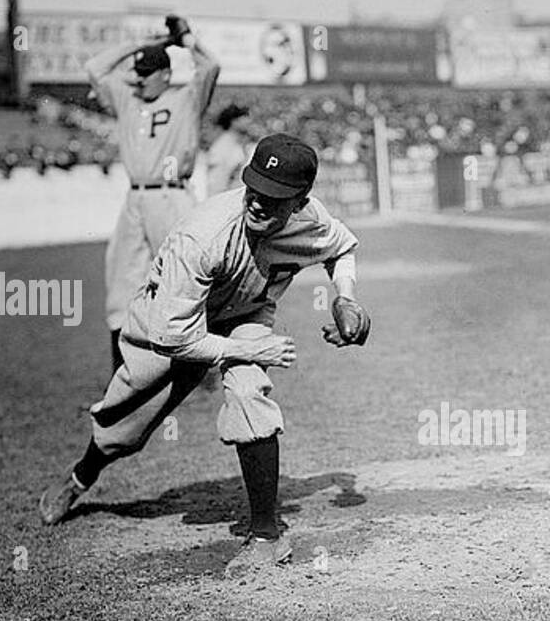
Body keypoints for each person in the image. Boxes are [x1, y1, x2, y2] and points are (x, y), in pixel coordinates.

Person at [38, 133, 370, 581]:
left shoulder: (309, 220)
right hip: (168, 319)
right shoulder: (204, 234)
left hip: (246, 313)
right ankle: (80, 478)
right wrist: (242, 347)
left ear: (299, 202)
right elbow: (173, 336)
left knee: (249, 392)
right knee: (123, 422)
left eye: (273, 199)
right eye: (254, 190)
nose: (257, 203)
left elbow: (343, 247)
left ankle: (267, 537)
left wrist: (346, 298)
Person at [86, 14, 220, 374]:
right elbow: (95, 67)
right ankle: (124, 371)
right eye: (137, 72)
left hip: (172, 195)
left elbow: (212, 65)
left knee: (184, 278)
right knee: (122, 279)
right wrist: (148, 44)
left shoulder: (186, 97)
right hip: (136, 197)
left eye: (146, 72)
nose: (138, 78)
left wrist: (185, 39)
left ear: (165, 74)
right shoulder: (128, 99)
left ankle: (197, 361)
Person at [206, 103, 255, 194]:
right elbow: (216, 182)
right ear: (234, 122)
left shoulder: (237, 145)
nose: (249, 121)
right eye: (244, 118)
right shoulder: (222, 146)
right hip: (224, 200)